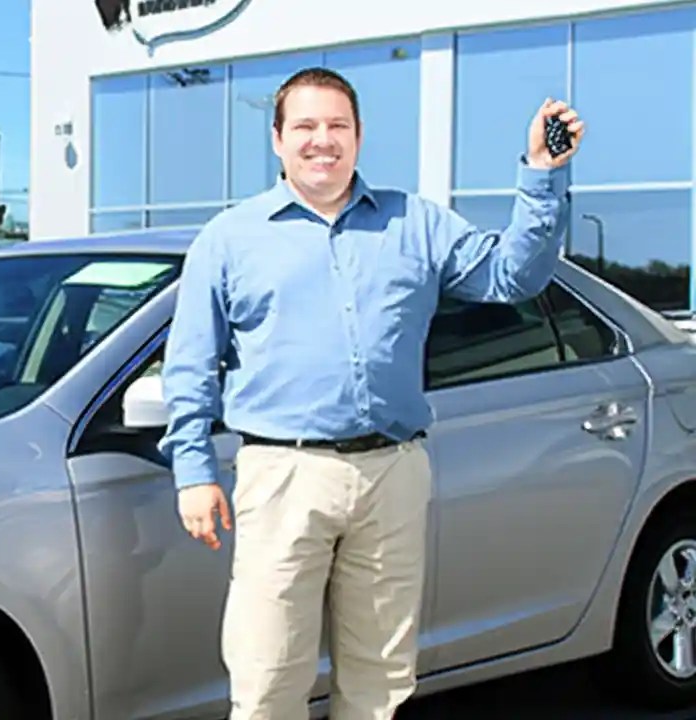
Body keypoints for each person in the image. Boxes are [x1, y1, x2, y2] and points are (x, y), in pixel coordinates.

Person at [157, 67, 583, 720]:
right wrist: (191, 470)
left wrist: (541, 172)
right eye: (304, 126)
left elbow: (510, 278)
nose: (321, 140)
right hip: (281, 475)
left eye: (337, 126)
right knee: (267, 680)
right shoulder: (229, 239)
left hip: (392, 473)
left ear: (358, 137)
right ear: (276, 139)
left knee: (381, 684)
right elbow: (189, 366)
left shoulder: (416, 223)